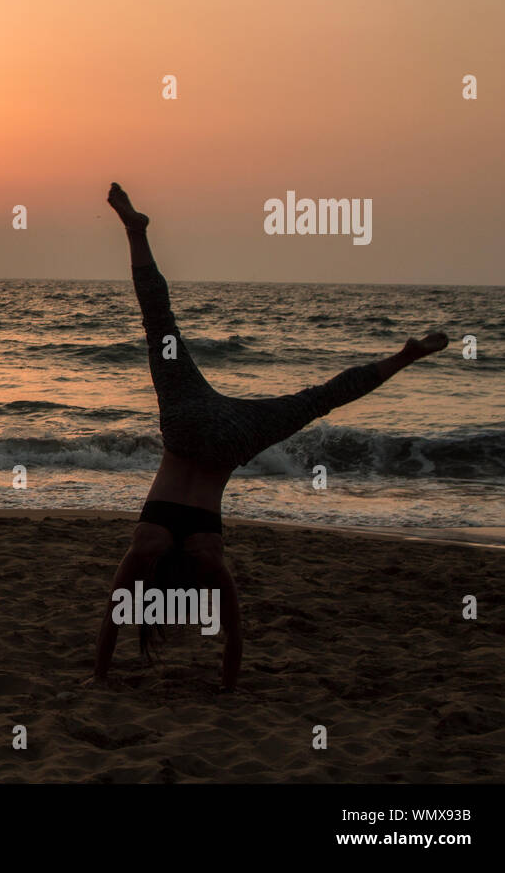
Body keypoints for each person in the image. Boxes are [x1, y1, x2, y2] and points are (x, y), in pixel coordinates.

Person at [92, 183, 448, 689]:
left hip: (223, 438)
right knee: (163, 327)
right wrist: (226, 688)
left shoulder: (191, 556)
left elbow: (227, 631)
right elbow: (201, 629)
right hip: (199, 424)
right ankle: (404, 356)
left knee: (308, 396)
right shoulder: (153, 549)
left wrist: (102, 678)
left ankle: (404, 357)